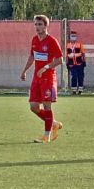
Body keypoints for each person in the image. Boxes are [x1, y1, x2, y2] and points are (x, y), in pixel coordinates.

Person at [20, 15, 64, 143]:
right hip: (36, 77)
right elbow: (32, 57)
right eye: (36, 24)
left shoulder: (52, 41)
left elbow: (60, 60)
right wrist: (24, 71)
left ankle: (46, 136)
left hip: (48, 78)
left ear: (46, 26)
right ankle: (54, 123)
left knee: (46, 106)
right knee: (33, 106)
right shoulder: (34, 40)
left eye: (40, 24)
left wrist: (46, 67)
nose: (37, 27)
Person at [66, 31, 87, 95]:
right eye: (72, 36)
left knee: (80, 77)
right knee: (74, 76)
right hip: (71, 64)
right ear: (70, 37)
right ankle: (74, 90)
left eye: (74, 36)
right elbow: (66, 55)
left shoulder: (80, 44)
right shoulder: (68, 45)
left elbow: (83, 54)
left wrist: (84, 62)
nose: (73, 37)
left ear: (76, 37)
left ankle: (80, 90)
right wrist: (67, 63)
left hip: (79, 63)